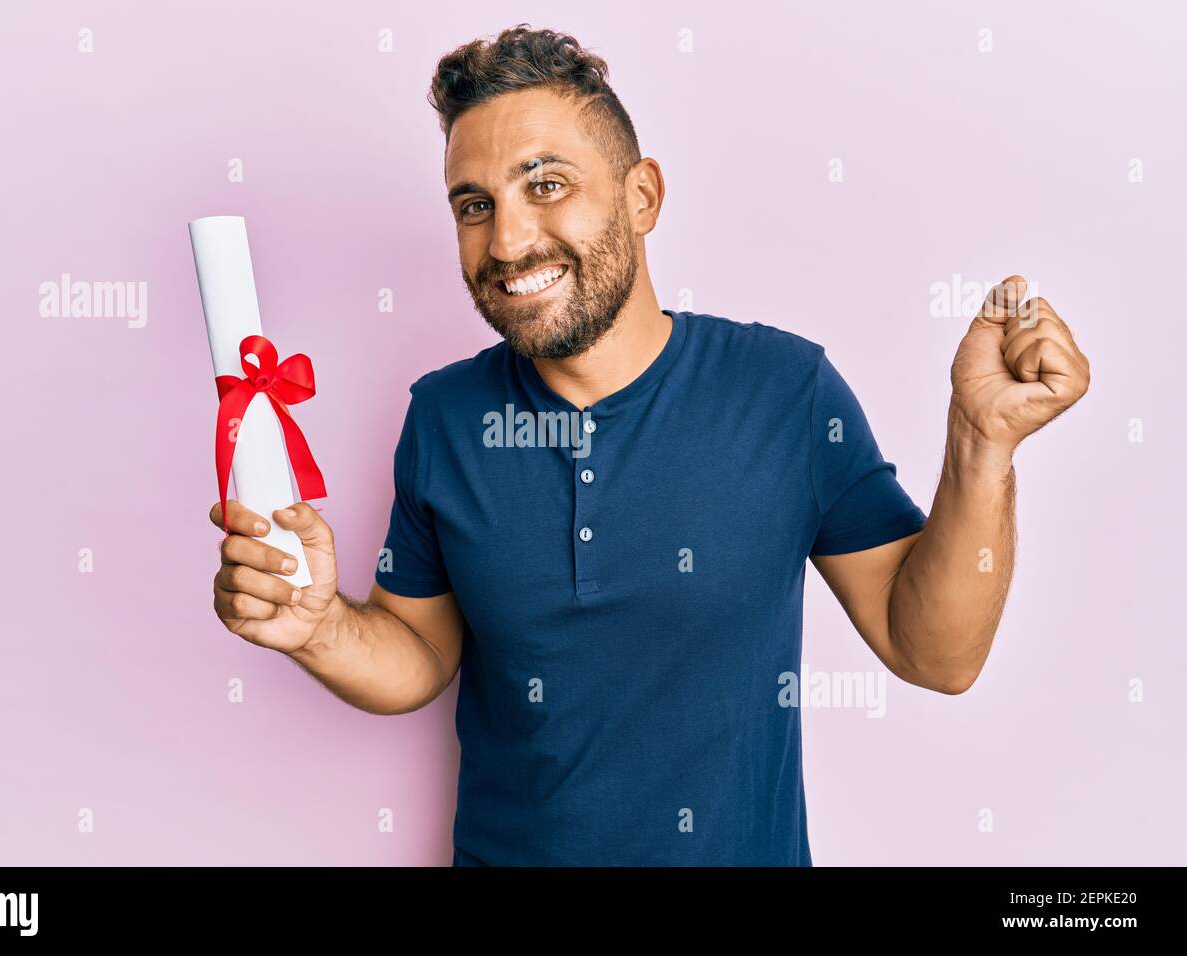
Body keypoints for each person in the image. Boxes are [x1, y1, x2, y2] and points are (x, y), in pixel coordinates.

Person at [208, 24, 1090, 866]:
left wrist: (980, 444)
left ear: (642, 198)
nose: (508, 241)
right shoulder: (443, 416)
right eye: (475, 205)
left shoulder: (786, 392)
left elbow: (934, 653)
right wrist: (320, 627)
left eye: (545, 183)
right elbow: (420, 653)